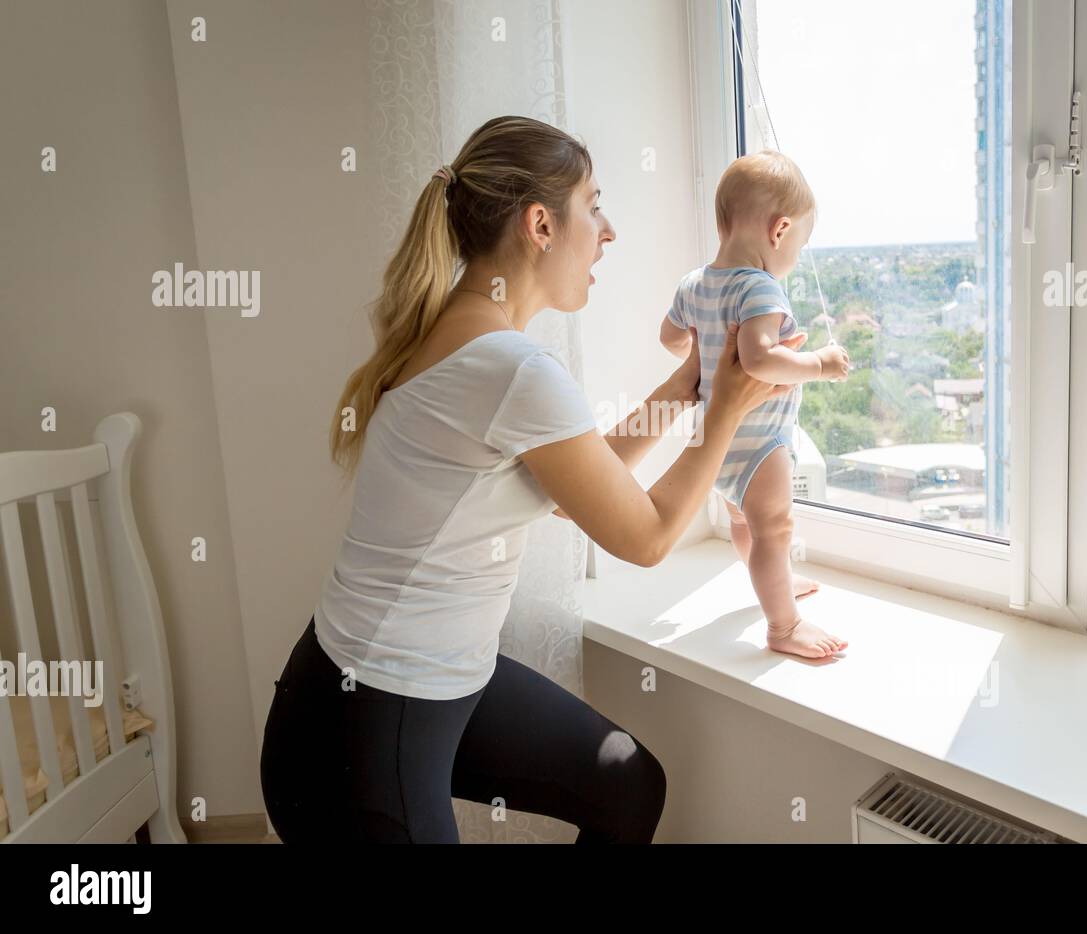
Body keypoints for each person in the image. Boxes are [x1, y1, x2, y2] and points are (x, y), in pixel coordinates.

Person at [259, 115, 802, 843]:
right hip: (362, 733)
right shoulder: (513, 368)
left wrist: (688, 385)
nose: (608, 231)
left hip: (418, 684)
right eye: (595, 205)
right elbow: (643, 538)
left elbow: (576, 488)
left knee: (625, 783)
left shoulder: (458, 328)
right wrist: (729, 409)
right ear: (541, 224)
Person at [660, 150, 850, 659]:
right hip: (760, 440)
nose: (795, 256)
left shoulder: (694, 283)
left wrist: (701, 354)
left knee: (746, 526)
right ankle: (784, 626)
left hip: (716, 440)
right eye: (801, 244)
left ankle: (776, 582)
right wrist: (819, 364)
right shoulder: (760, 287)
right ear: (780, 229)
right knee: (775, 527)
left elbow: (671, 337)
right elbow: (760, 359)